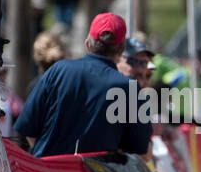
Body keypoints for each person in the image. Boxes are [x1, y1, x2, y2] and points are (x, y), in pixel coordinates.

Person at [13, 12, 151, 158]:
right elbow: (140, 147)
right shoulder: (129, 87)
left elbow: (28, 128)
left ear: (87, 43)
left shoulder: (59, 70)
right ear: (122, 49)